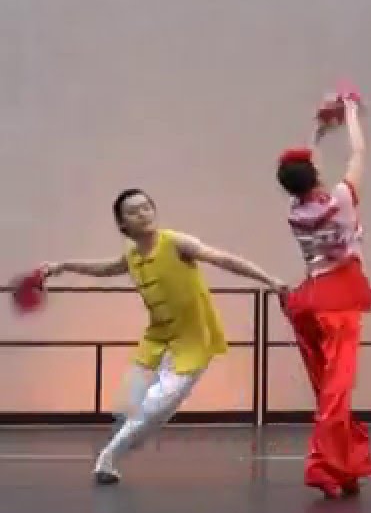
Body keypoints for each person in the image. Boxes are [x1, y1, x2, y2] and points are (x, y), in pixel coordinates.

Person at [39, 189, 287, 484]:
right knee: (132, 403)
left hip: (192, 340)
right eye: (133, 212)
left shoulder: (176, 243)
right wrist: (64, 266)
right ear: (122, 225)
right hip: (156, 338)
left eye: (146, 207)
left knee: (157, 405)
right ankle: (130, 435)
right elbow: (104, 268)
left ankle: (109, 456)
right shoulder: (132, 256)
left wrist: (269, 280)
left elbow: (223, 259)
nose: (142, 214)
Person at [275, 92, 371, 499]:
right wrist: (351, 112)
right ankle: (322, 464)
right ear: (313, 175)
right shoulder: (339, 199)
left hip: (310, 296)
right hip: (339, 295)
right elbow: (359, 151)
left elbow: (304, 169)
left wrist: (318, 129)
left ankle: (344, 466)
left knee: (327, 385)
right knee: (338, 386)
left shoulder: (295, 211)